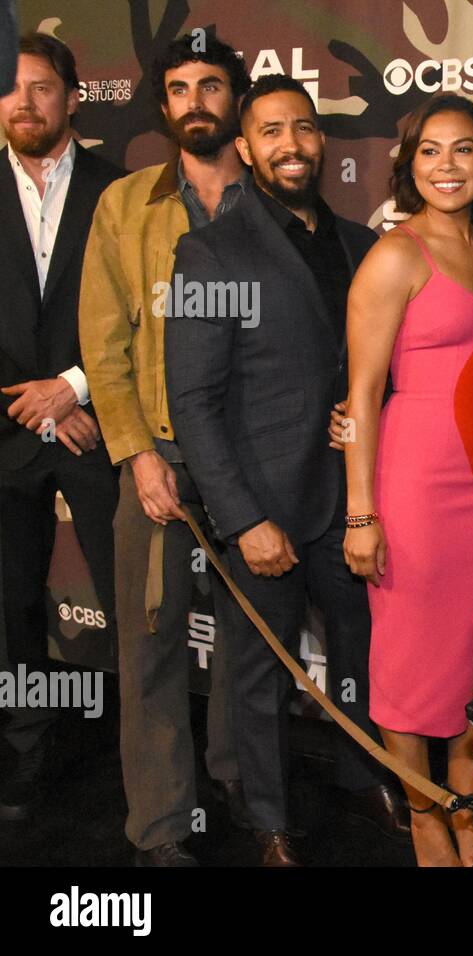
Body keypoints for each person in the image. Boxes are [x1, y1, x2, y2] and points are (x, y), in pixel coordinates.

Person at [164, 74, 405, 866]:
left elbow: (373, 372)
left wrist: (360, 419)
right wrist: (241, 520)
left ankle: (363, 778)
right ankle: (267, 820)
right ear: (244, 147)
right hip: (262, 510)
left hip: (351, 503)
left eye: (302, 128)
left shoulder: (361, 245)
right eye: (270, 131)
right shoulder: (208, 251)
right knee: (261, 679)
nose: (291, 144)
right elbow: (193, 401)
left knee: (361, 654)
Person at [79, 35, 251, 866]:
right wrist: (137, 455)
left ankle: (241, 782)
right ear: (163, 104)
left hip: (256, 465)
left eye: (210, 85)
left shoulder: (273, 200)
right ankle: (159, 824)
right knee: (149, 646)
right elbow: (103, 345)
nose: (195, 102)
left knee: (251, 646)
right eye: (179, 88)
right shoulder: (125, 207)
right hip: (161, 459)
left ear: (236, 98)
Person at [343, 92, 473, 867]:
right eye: (429, 151)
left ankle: (465, 815)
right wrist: (360, 513)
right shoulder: (395, 255)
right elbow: (359, 396)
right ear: (407, 166)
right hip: (416, 483)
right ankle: (424, 822)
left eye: (462, 150)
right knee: (414, 664)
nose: (446, 166)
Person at [0, 32, 123, 823]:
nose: (24, 102)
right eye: (11, 89)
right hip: (8, 429)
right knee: (10, 611)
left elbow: (143, 313)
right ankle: (26, 756)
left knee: (140, 608)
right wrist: (35, 404)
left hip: (100, 429)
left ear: (74, 98)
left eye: (43, 87)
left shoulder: (121, 192)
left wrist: (75, 391)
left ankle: (148, 769)